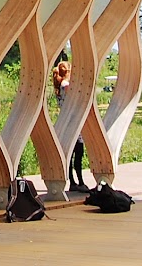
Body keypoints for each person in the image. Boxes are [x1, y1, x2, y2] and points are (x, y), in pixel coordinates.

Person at [53, 59, 88, 193]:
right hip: (72, 123)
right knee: (78, 152)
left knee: (70, 153)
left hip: (65, 122)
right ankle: (79, 181)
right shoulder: (66, 85)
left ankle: (73, 181)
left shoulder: (60, 85)